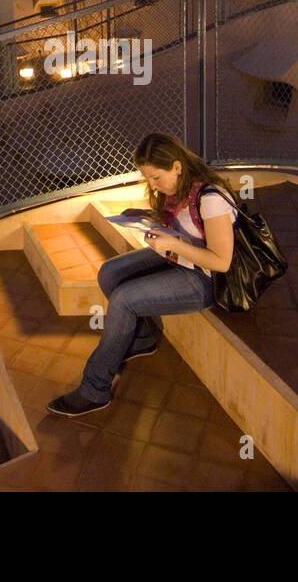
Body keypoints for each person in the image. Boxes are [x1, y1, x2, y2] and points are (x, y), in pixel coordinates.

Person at [47, 132, 238, 417]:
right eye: (147, 178)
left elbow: (221, 262)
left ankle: (93, 389)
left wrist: (172, 243)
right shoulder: (176, 190)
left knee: (124, 299)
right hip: (180, 256)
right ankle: (141, 339)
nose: (153, 185)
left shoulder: (211, 198)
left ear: (176, 166)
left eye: (155, 177)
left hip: (205, 279)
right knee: (109, 272)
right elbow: (182, 229)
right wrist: (149, 221)